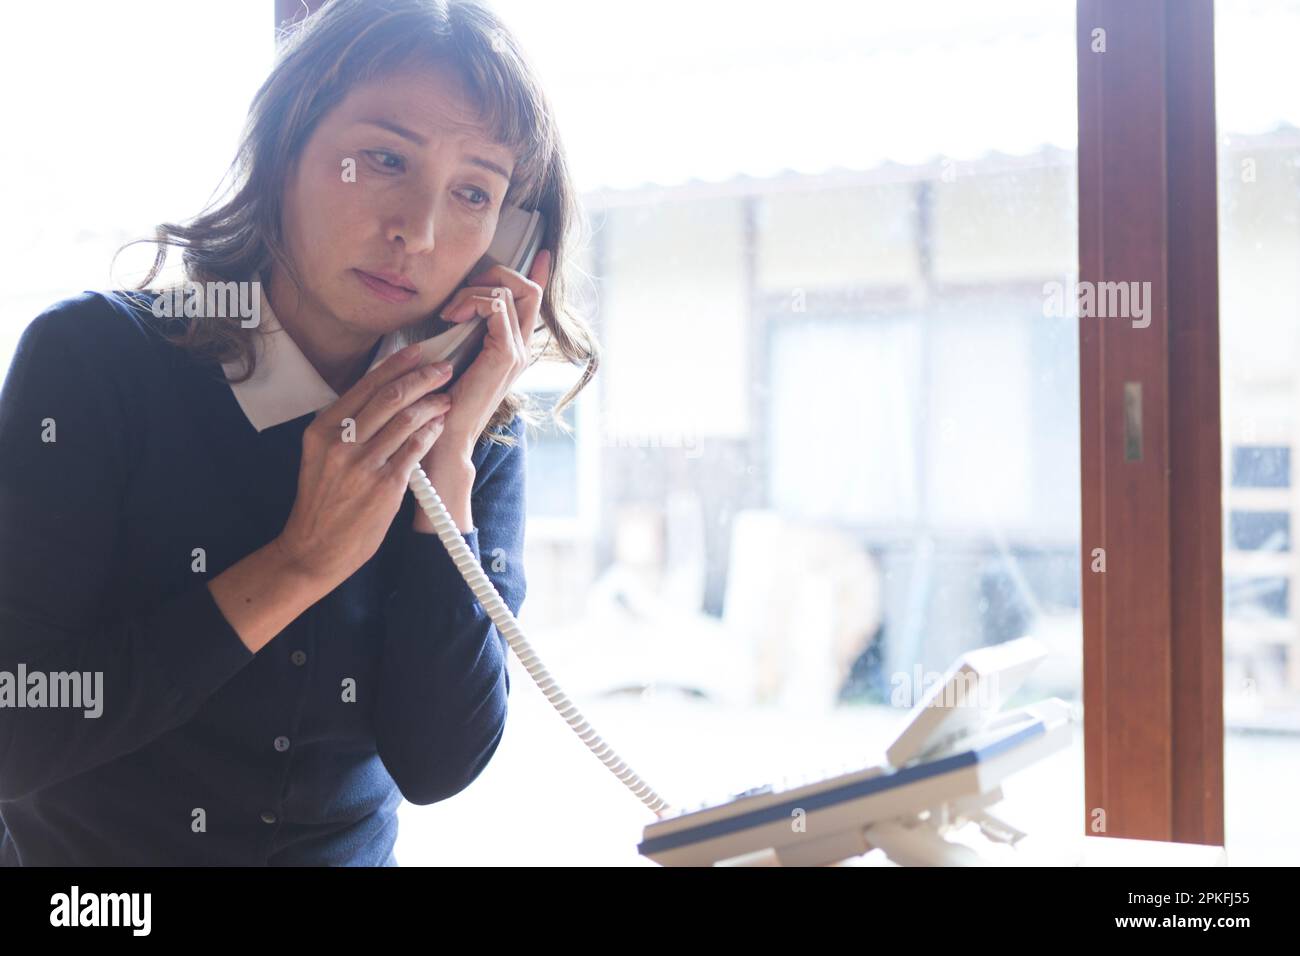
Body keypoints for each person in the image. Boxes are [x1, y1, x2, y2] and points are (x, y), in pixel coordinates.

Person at [0, 0, 598, 866]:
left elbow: (438, 764)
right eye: (384, 159)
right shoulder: (93, 362)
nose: (418, 232)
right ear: (284, 152)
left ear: (514, 237)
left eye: (474, 192)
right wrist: (300, 562)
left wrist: (448, 469)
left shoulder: (469, 426)